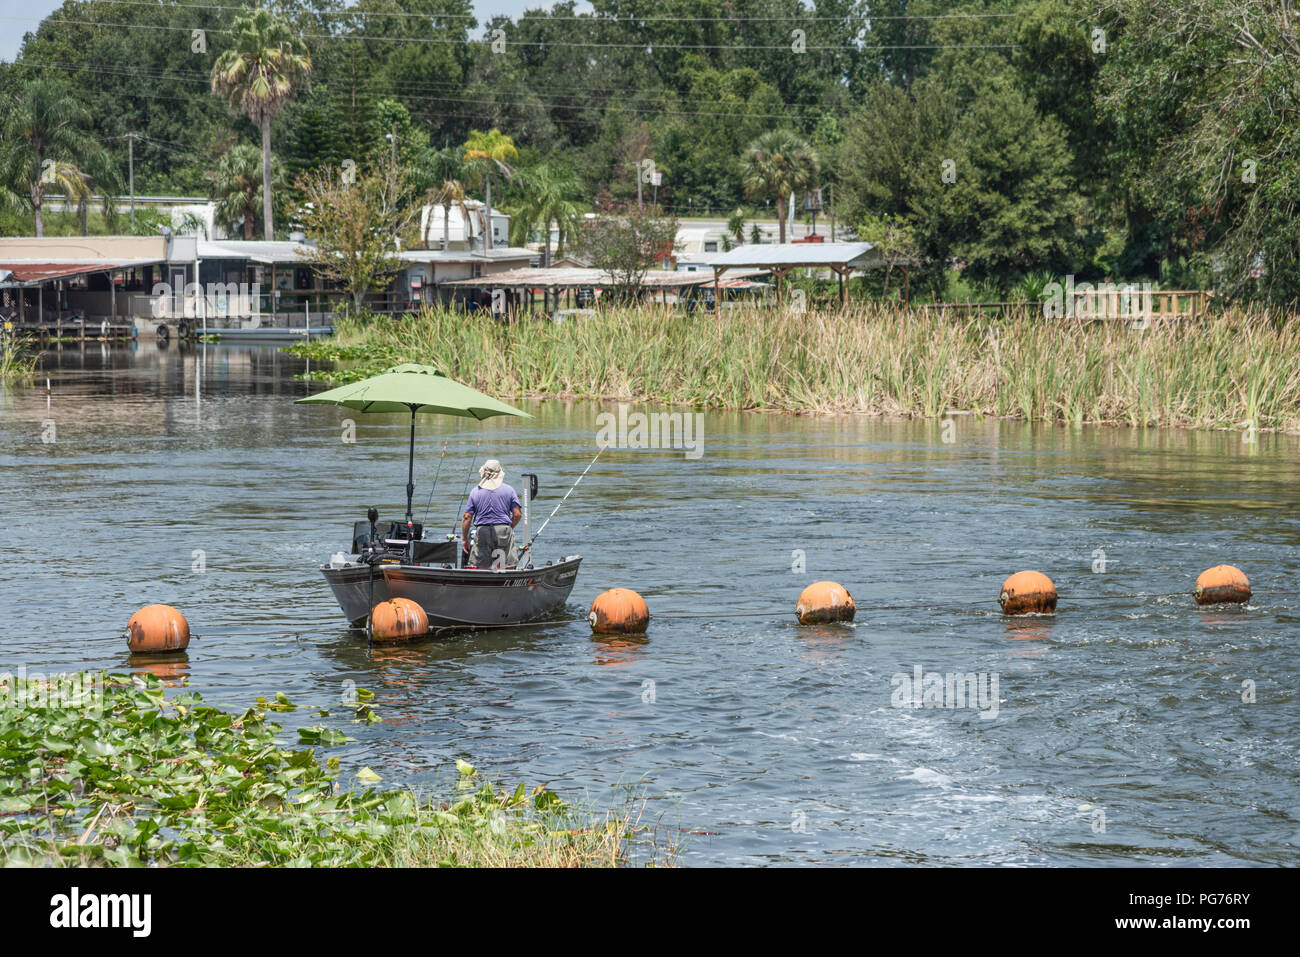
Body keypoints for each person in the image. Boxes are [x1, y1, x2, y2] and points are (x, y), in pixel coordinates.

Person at [462, 459, 522, 569]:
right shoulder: (509, 490)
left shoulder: (475, 492)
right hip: (503, 530)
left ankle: (483, 584)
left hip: (482, 531)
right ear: (499, 473)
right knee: (507, 566)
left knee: (481, 567)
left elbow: (467, 517)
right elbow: (517, 514)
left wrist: (464, 539)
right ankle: (505, 584)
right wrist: (509, 528)